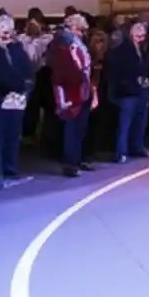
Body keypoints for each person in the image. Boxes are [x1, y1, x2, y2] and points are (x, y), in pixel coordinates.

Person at [0, 15, 34, 190]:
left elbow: (27, 69)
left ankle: (11, 170)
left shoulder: (16, 47)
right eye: (3, 27)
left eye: (9, 28)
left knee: (13, 136)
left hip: (17, 99)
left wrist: (24, 88)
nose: (7, 31)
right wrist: (11, 88)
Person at [49, 17, 95, 178]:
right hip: (70, 89)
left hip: (82, 87)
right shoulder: (62, 44)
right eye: (80, 29)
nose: (82, 32)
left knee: (79, 128)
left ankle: (77, 159)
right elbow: (64, 71)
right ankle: (70, 163)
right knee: (71, 127)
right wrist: (80, 79)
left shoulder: (75, 43)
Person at [108, 23, 149, 163]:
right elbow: (119, 72)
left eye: (143, 36)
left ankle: (137, 147)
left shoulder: (142, 49)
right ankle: (121, 152)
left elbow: (143, 68)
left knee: (140, 121)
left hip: (141, 90)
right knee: (125, 124)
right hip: (127, 92)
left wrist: (145, 80)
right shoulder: (122, 50)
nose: (141, 38)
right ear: (132, 34)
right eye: (139, 36)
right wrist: (132, 82)